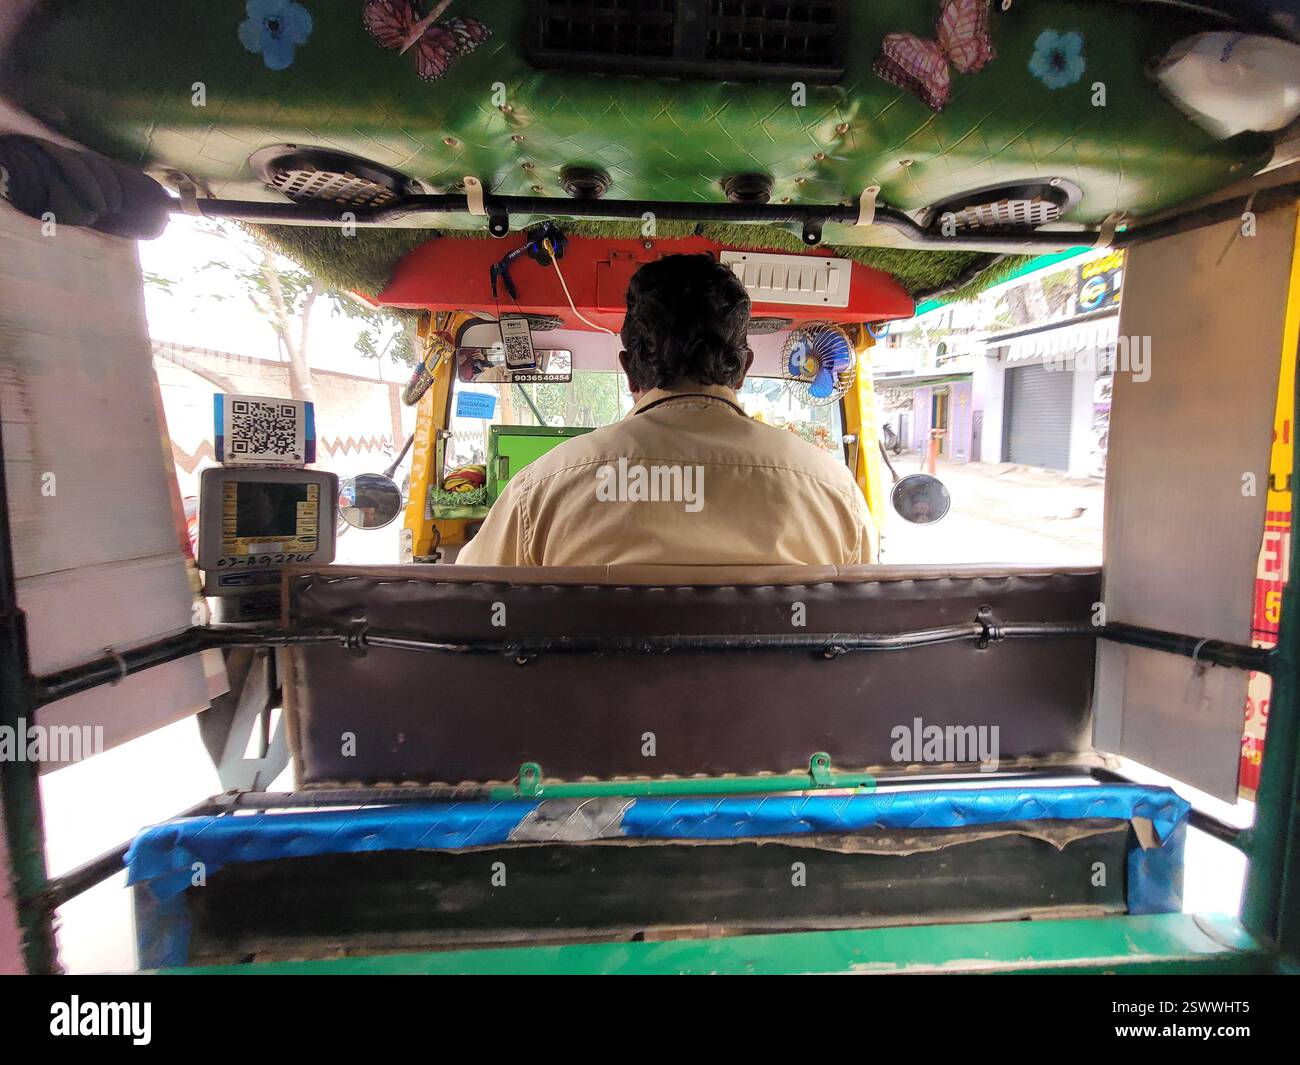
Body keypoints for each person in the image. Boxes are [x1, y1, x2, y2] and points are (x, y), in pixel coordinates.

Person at [457, 253, 876, 566]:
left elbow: (470, 605)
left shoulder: (543, 490)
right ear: (744, 368)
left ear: (628, 370)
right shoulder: (835, 494)